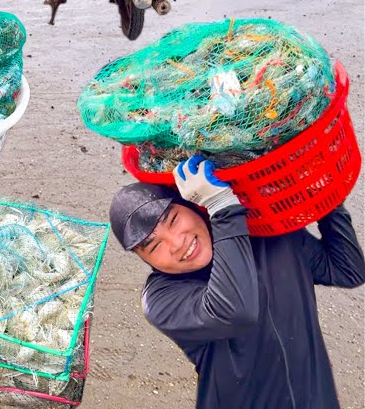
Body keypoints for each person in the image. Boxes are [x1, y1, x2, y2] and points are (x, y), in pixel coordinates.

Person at [109, 155, 365, 409]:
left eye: (174, 220)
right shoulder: (161, 299)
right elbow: (235, 310)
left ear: (190, 204)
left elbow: (346, 270)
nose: (178, 243)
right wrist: (223, 208)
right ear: (145, 259)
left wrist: (328, 200)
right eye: (155, 246)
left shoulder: (268, 234)